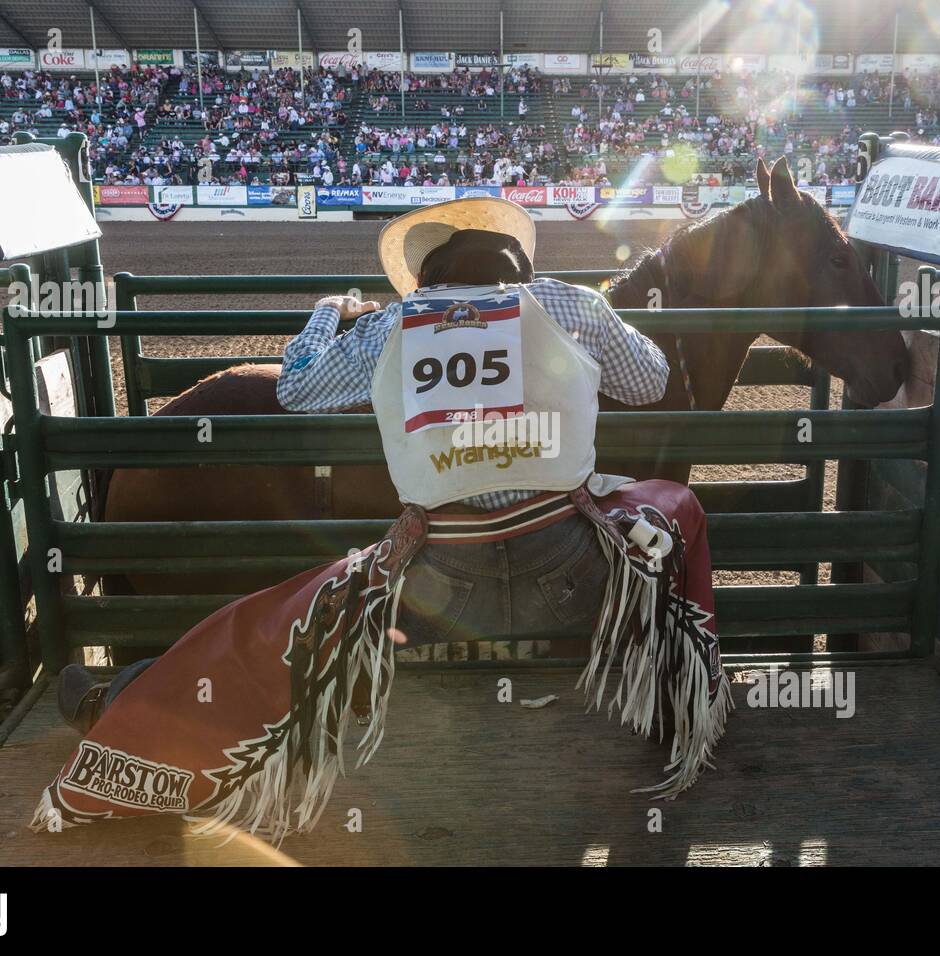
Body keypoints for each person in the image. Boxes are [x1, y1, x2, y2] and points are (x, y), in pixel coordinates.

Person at [40, 198, 730, 842]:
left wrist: (327, 314)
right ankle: (691, 694)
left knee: (259, 629)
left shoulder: (397, 324)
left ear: (427, 280)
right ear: (519, 268)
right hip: (576, 580)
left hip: (433, 589)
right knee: (674, 504)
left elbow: (298, 388)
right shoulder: (569, 304)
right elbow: (649, 381)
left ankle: (124, 707)